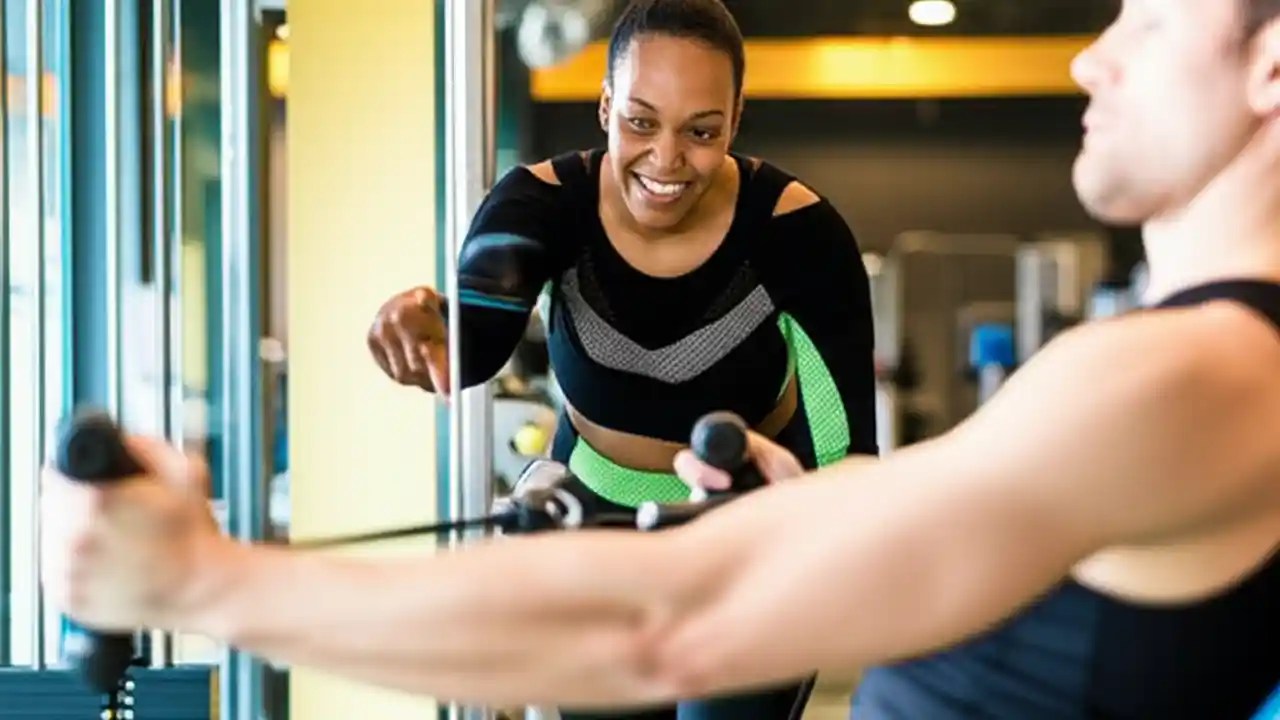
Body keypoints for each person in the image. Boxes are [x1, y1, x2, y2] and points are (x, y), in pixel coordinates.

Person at [38, 0, 1280, 718]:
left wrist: (201, 583)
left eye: (1152, 12)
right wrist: (805, 507)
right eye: (639, 123)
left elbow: (666, 627)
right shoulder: (1178, 371)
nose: (1088, 52)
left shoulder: (1187, 379)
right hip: (647, 506)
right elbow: (485, 333)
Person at [368, 1, 877, 717]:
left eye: (701, 131)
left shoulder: (798, 231)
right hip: (597, 534)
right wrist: (420, 326)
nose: (666, 160)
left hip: (746, 543)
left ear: (736, 117)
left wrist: (828, 560)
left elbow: (847, 448)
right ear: (605, 105)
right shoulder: (539, 207)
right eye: (640, 121)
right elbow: (469, 350)